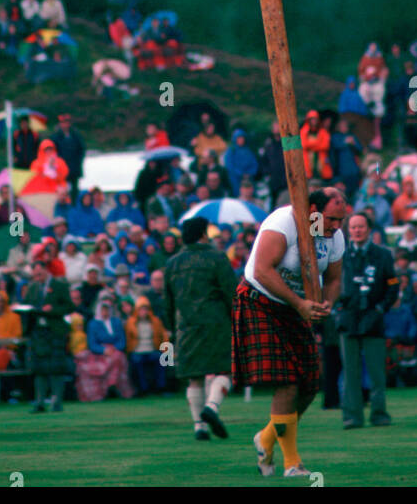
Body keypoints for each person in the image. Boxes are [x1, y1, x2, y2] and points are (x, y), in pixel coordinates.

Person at [233, 187, 348, 479]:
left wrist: (327, 304)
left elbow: (334, 279)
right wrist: (299, 303)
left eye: (341, 220)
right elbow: (261, 269)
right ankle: (292, 463)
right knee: (286, 382)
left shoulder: (335, 238)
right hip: (261, 302)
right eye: (332, 219)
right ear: (313, 210)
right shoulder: (283, 221)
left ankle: (267, 438)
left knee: (310, 383)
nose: (336, 226)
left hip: (299, 308)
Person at [163, 215, 236, 440]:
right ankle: (212, 408)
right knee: (224, 370)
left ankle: (199, 426)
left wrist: (171, 329)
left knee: (193, 377)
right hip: (216, 323)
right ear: (203, 234)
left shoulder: (172, 263)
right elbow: (231, 293)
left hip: (185, 326)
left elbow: (168, 301)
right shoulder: (217, 258)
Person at [336, 211, 398, 428]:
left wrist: (381, 309)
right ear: (348, 230)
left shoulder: (383, 255)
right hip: (348, 316)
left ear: (369, 229)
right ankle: (352, 416)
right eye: (353, 227)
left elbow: (393, 286)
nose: (357, 231)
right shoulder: (340, 255)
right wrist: (338, 308)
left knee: (376, 372)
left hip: (373, 316)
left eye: (360, 226)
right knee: (350, 371)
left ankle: (379, 414)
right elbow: (330, 284)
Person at [22, 260, 72, 413]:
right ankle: (39, 403)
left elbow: (69, 306)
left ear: (46, 270)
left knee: (56, 369)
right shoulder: (32, 288)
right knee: (39, 369)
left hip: (55, 331)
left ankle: (57, 402)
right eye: (34, 274)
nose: (37, 276)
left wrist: (53, 309)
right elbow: (27, 305)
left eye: (39, 273)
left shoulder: (59, 286)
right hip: (38, 331)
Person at [76, 292, 134, 402]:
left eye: (107, 309)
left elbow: (122, 340)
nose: (105, 312)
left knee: (118, 357)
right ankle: (109, 386)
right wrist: (104, 350)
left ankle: (112, 384)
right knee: (115, 359)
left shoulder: (116, 322)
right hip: (100, 353)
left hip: (115, 350)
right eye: (103, 309)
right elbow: (92, 344)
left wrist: (115, 349)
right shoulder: (93, 324)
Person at [125, 295, 169, 397]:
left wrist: (165, 350)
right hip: (137, 350)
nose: (143, 312)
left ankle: (161, 387)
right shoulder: (131, 322)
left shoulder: (156, 321)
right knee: (137, 361)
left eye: (145, 309)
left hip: (152, 349)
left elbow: (163, 335)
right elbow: (128, 338)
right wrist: (129, 351)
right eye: (141, 310)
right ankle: (143, 389)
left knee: (162, 359)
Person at [53, 114, 87, 200]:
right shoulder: (56, 137)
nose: (65, 125)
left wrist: (78, 161)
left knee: (74, 190)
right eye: (63, 123)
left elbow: (82, 149)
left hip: (74, 168)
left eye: (67, 122)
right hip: (61, 169)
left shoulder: (76, 135)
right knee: (62, 189)